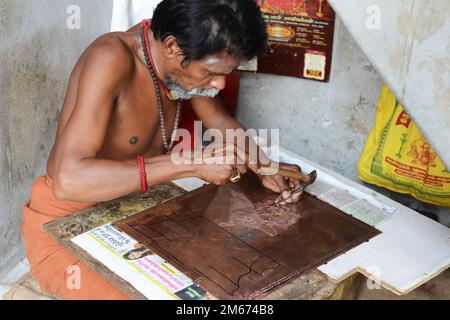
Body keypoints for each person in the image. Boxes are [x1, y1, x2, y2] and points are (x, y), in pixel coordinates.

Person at [22, 0, 305, 300]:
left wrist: (266, 167)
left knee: (236, 281)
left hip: (138, 212)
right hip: (66, 225)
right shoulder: (111, 58)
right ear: (172, 47)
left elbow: (220, 122)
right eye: (212, 72)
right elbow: (68, 180)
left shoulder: (183, 65)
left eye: (227, 73)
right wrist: (189, 163)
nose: (220, 84)